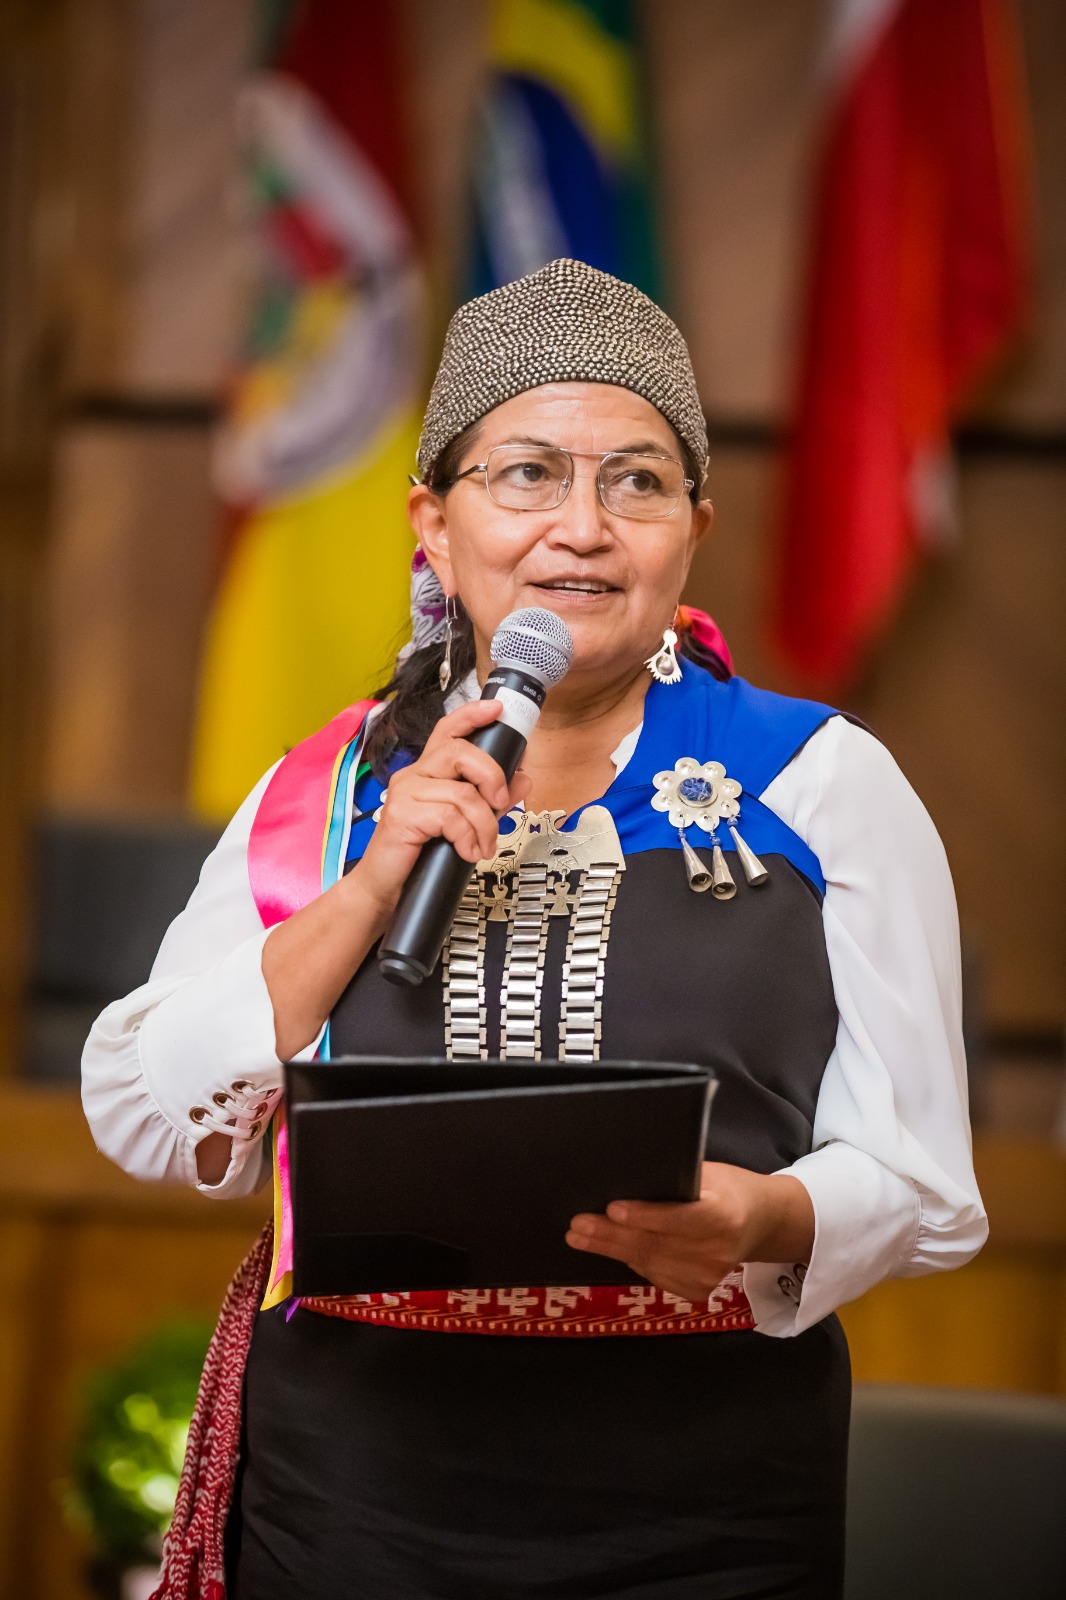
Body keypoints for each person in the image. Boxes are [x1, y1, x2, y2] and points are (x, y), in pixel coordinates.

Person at [82, 258, 986, 1600]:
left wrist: (772, 1213)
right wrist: (370, 877)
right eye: (525, 475)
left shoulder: (818, 782)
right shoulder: (325, 791)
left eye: (635, 480)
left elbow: (930, 1188)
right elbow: (145, 1113)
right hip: (351, 1495)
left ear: (692, 526)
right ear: (430, 524)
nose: (581, 527)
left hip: (700, 1497)